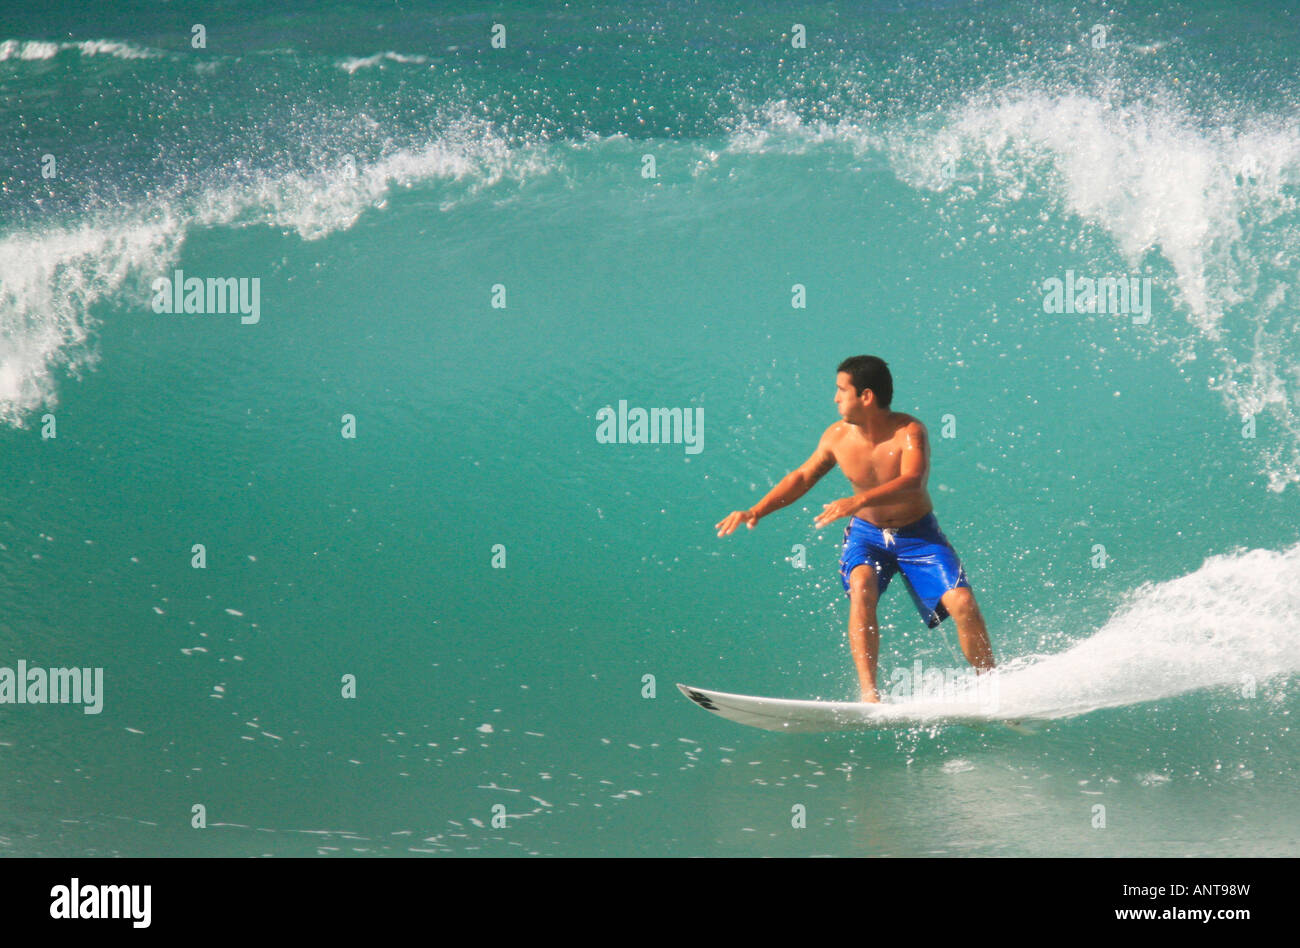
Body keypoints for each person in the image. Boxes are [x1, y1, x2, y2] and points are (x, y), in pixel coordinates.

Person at [715, 355, 996, 702]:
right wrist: (756, 510)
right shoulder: (837, 436)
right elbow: (802, 477)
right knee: (862, 584)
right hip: (868, 535)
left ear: (865, 396)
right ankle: (869, 695)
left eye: (840, 390)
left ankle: (992, 687)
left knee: (963, 603)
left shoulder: (909, 432)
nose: (835, 398)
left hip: (918, 537)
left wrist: (859, 500)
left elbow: (912, 481)